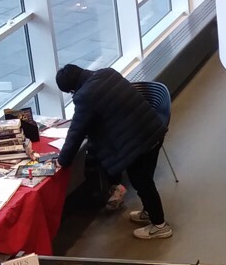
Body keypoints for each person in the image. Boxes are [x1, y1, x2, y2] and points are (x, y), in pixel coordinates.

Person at [54, 64, 172, 239]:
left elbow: (75, 133)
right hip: (151, 129)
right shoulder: (107, 73)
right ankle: (149, 212)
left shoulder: (85, 96)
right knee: (145, 181)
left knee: (143, 184)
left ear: (72, 88)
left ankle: (160, 225)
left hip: (137, 143)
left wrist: (62, 161)